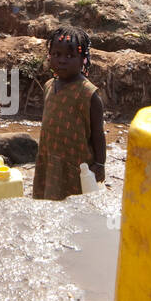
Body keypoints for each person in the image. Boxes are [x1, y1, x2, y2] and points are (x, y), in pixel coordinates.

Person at [34, 25, 106, 201]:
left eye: (70, 56)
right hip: (49, 160)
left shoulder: (88, 94)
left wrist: (100, 164)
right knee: (48, 205)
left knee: (75, 210)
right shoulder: (49, 86)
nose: (62, 60)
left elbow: (98, 133)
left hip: (76, 166)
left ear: (83, 59)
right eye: (56, 55)